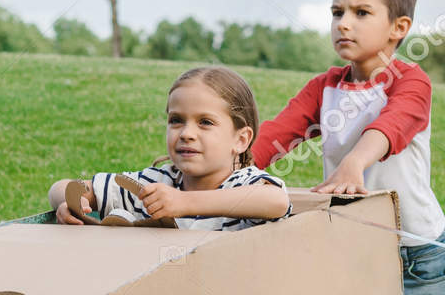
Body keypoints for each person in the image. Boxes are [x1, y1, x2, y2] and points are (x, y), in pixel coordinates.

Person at [250, 0, 445, 295]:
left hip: (418, 257)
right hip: (353, 249)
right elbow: (275, 136)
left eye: (361, 12)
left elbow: (391, 126)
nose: (344, 23)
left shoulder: (411, 82)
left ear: (398, 28)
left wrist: (354, 163)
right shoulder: (324, 87)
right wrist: (224, 170)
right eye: (337, 12)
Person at [48, 65, 290, 231]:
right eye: (176, 120)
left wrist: (184, 202)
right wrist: (73, 200)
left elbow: (276, 201)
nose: (186, 134)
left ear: (241, 140)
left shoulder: (244, 183)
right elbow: (60, 188)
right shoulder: (154, 184)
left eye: (205, 122)